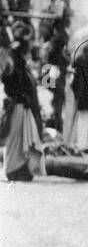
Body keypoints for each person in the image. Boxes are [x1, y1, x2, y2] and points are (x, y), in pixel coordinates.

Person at [2, 33, 42, 182]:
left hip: (23, 106)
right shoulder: (15, 67)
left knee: (20, 139)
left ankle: (20, 168)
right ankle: (14, 169)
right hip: (18, 106)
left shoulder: (20, 66)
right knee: (16, 139)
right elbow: (13, 87)